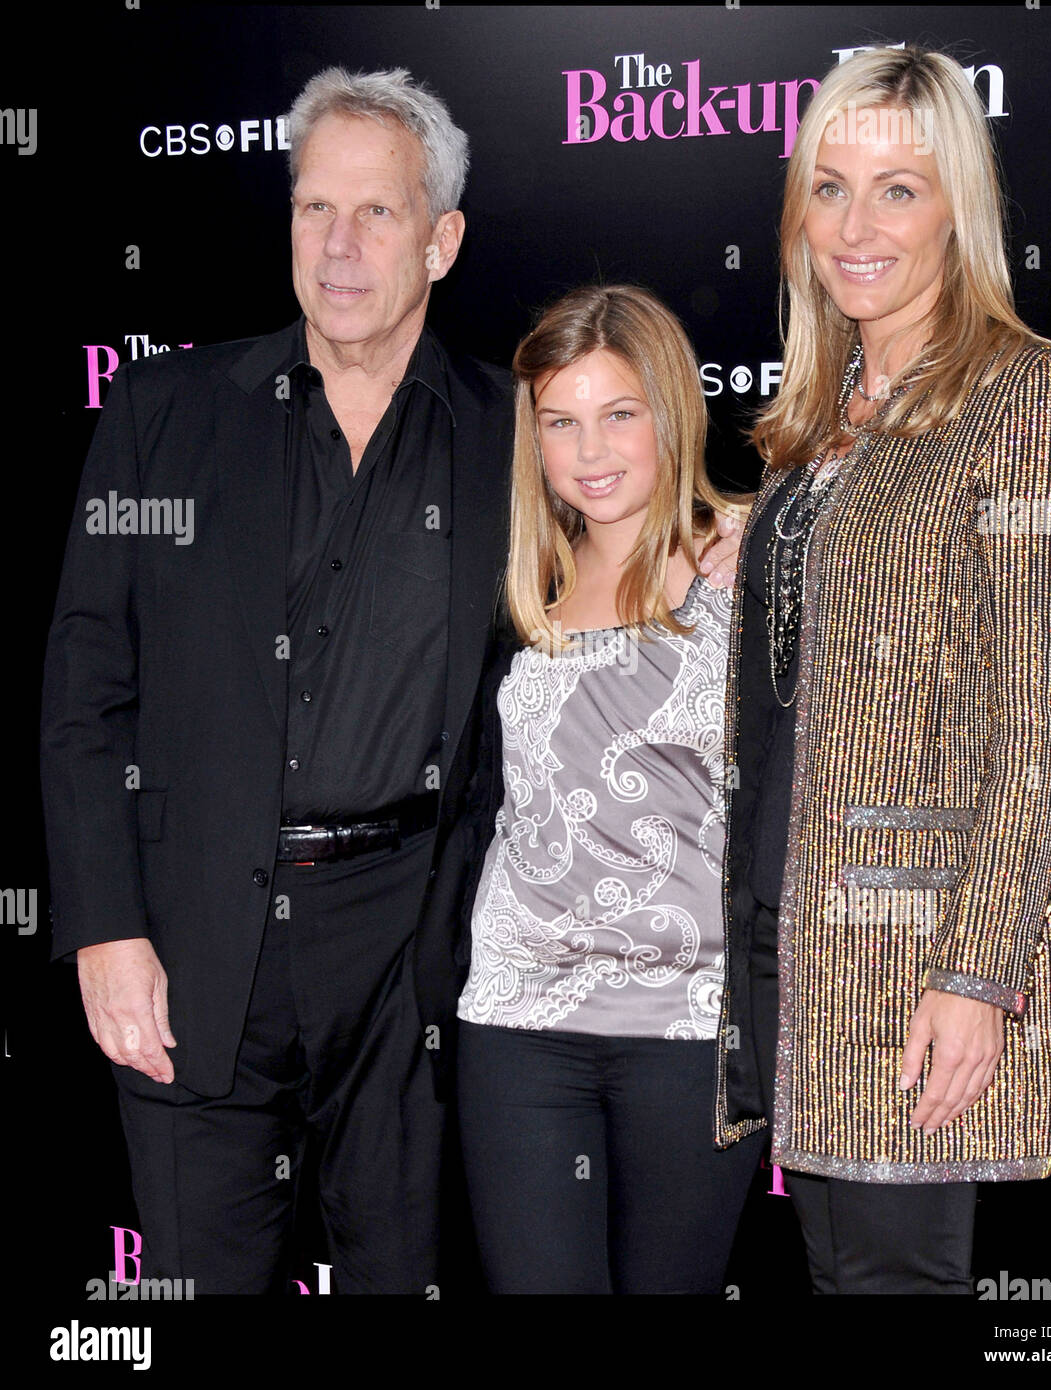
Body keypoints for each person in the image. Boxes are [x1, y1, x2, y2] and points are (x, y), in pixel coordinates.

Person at [41, 64, 743, 1296]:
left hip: (412, 951)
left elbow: (630, 526)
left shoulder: (511, 434)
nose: (340, 245)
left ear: (440, 239)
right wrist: (105, 927)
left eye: (377, 212)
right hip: (193, 943)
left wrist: (728, 529)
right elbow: (84, 692)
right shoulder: (161, 413)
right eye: (315, 208)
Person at [716, 46, 1051, 1293]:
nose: (854, 225)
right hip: (789, 932)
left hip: (917, 951)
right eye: (827, 188)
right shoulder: (813, 419)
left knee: (894, 1283)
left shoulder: (1024, 400)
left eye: (897, 188)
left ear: (957, 207)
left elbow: (1031, 720)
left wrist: (978, 974)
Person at [454, 284, 764, 1295]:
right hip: (517, 1023)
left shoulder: (746, 572)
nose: (589, 450)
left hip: (687, 1027)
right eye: (560, 421)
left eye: (617, 413)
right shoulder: (516, 590)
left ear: (670, 411)